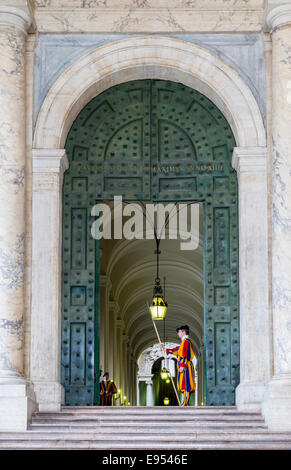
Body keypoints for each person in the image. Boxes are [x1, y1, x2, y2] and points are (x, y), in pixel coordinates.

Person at [161, 325, 195, 407]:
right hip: (184, 365)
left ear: (184, 332)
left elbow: (184, 354)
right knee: (183, 384)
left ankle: (185, 403)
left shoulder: (186, 342)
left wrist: (182, 365)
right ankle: (184, 402)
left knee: (186, 384)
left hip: (185, 366)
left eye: (179, 332)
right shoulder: (183, 342)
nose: (178, 334)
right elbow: (177, 350)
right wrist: (165, 349)